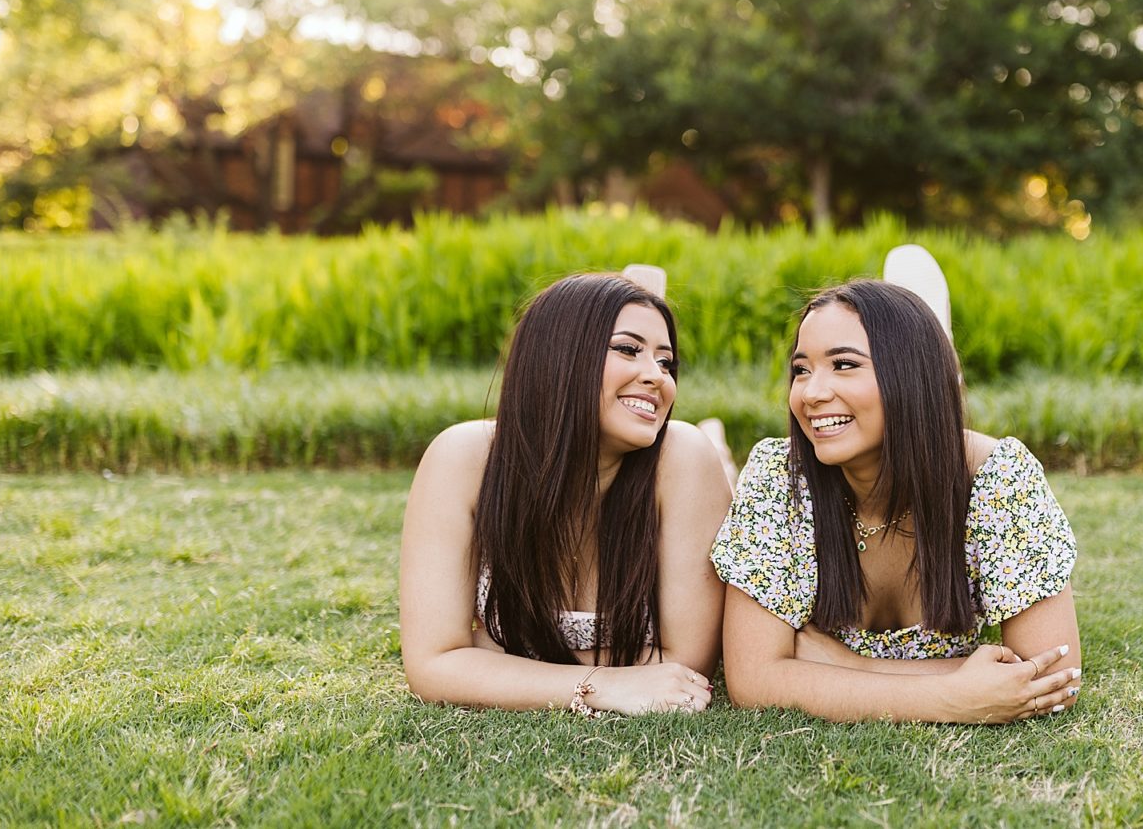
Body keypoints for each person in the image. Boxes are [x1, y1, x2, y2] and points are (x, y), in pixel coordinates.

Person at [714, 277, 1082, 723]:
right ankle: (713, 446)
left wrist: (846, 665)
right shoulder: (779, 475)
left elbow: (1052, 676)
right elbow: (753, 680)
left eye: (844, 365)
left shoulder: (997, 477)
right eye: (801, 369)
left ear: (911, 374)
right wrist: (953, 698)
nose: (810, 394)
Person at [400, 273, 731, 715]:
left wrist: (494, 658)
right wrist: (601, 684)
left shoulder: (685, 459)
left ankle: (722, 445)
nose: (658, 378)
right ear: (559, 357)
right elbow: (433, 666)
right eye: (628, 349)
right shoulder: (464, 458)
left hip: (705, 476)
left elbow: (685, 668)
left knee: (715, 457)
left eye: (666, 362)